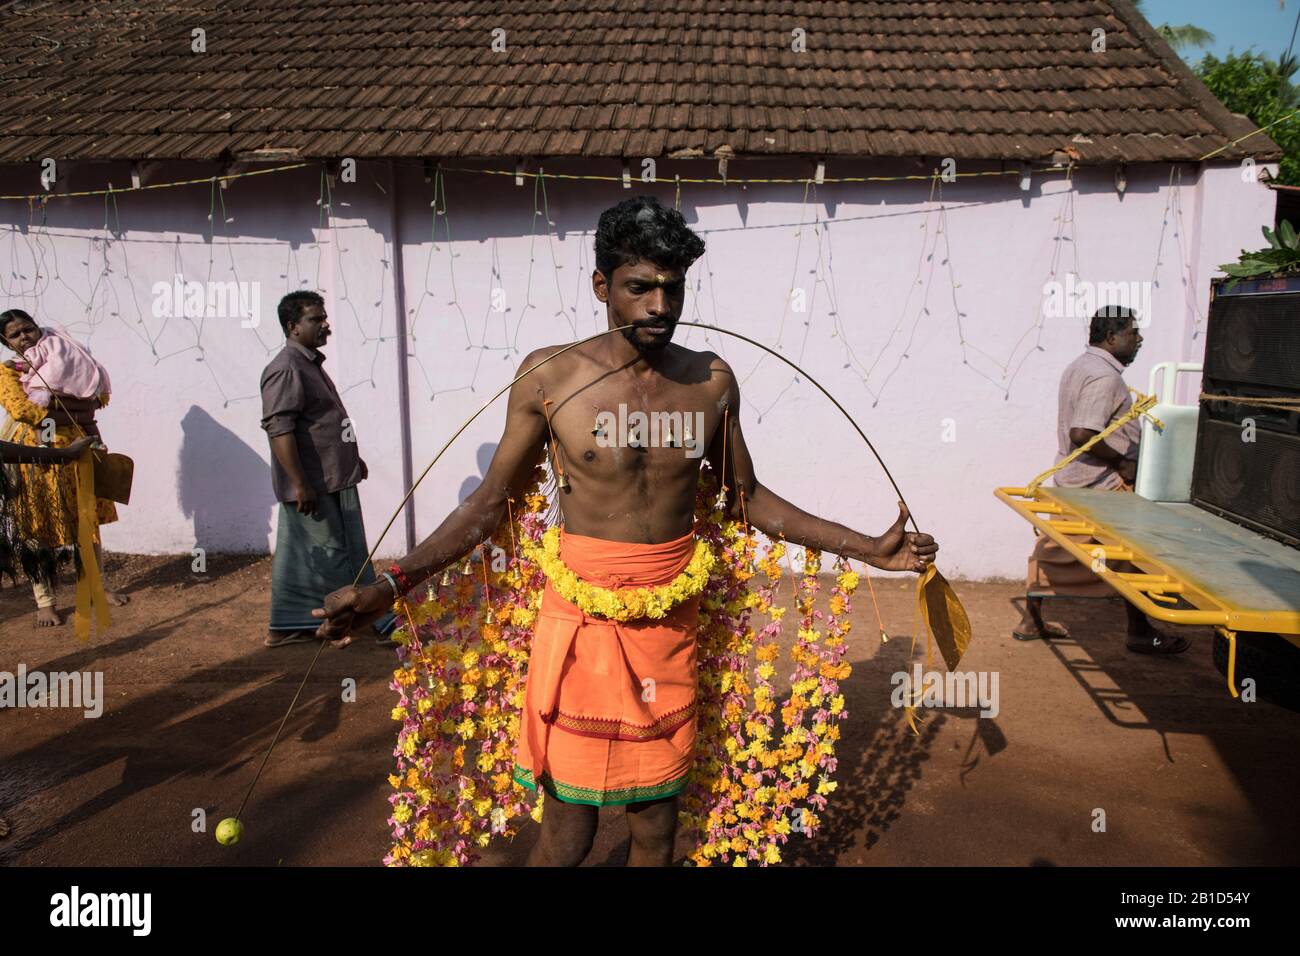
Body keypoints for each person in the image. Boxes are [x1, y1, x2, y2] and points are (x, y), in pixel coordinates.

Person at [310, 196, 938, 867]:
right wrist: (391, 583)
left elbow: (744, 499)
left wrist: (869, 547)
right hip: (579, 626)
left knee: (655, 827)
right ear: (602, 286)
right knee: (568, 834)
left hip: (668, 625)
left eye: (674, 289)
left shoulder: (710, 381)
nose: (659, 307)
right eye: (640, 287)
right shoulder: (550, 377)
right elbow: (488, 506)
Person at [1015, 305, 1188, 654]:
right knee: (1132, 556)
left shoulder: (1082, 365)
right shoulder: (1104, 376)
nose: (1139, 340)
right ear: (1112, 337)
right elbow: (1083, 432)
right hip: (1099, 484)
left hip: (1077, 479)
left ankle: (1033, 619)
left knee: (1059, 552)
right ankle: (1139, 631)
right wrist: (1123, 462)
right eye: (1132, 333)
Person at [259, 291, 393, 647]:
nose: (325, 325)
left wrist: (351, 458)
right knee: (337, 556)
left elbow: (321, 423)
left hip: (332, 478)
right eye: (316, 319)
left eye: (324, 318)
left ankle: (286, 628)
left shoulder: (307, 364)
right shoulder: (286, 368)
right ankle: (370, 622)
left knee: (307, 557)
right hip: (315, 485)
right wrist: (299, 483)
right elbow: (279, 429)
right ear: (293, 327)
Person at [0, 309, 127, 626]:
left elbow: (97, 399)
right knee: (37, 525)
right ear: (5, 341)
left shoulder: (68, 357)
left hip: (80, 448)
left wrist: (64, 403)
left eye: (28, 329)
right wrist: (75, 407)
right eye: (15, 334)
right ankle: (45, 602)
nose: (25, 337)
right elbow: (26, 411)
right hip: (35, 454)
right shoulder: (8, 372)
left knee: (87, 520)